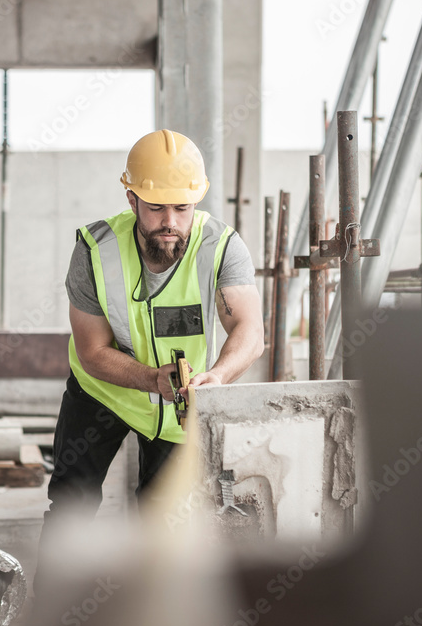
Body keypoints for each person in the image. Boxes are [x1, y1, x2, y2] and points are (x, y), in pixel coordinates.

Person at [34, 129, 263, 590]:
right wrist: (151, 379)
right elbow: (93, 352)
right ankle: (49, 608)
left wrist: (217, 376)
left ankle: (150, 612)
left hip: (181, 402)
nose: (170, 221)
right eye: (156, 206)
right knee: (72, 500)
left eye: (182, 207)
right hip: (105, 391)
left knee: (165, 518)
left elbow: (250, 332)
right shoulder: (94, 251)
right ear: (131, 197)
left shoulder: (222, 246)